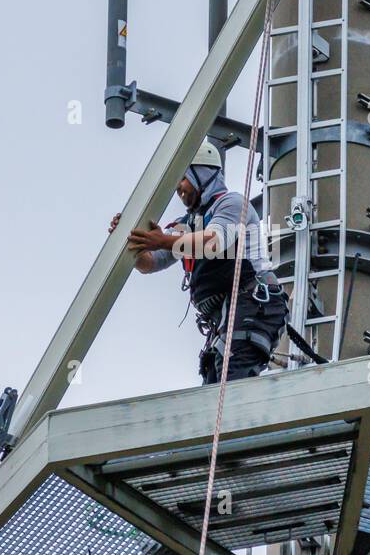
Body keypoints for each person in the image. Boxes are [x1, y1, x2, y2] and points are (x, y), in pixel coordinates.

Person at [109, 140, 289, 384]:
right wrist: (130, 240)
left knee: (231, 377)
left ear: (202, 173)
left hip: (253, 304)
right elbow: (149, 263)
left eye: (183, 178)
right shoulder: (188, 224)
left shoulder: (232, 203)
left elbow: (214, 241)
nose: (178, 187)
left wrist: (161, 240)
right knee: (214, 384)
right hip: (229, 315)